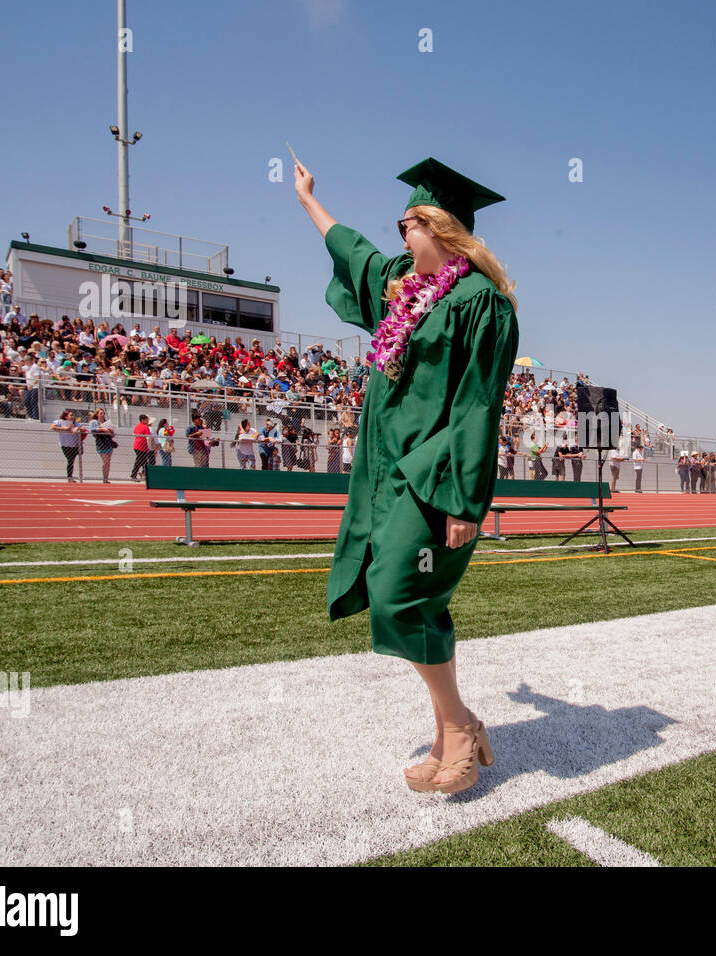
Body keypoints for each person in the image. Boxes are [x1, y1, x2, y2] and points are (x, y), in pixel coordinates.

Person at [299, 155, 519, 795]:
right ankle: (454, 731)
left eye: (409, 225)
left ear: (442, 229)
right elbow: (355, 252)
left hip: (434, 476)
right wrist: (310, 199)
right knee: (397, 593)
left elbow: (478, 405)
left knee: (404, 594)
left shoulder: (481, 303)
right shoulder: (404, 286)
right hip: (386, 472)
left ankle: (458, 728)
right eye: (399, 226)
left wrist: (461, 501)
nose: (399, 236)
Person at [50, 409, 85, 481]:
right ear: (66, 416)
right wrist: (65, 428)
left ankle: (71, 476)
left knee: (71, 460)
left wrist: (77, 428)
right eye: (71, 415)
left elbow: (83, 429)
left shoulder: (76, 423)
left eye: (73, 415)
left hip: (74, 444)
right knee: (70, 460)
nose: (73, 416)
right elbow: (52, 427)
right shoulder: (60, 422)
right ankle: (70, 476)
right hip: (65, 444)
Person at [87, 408, 117, 483]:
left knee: (108, 462)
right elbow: (92, 430)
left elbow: (112, 434)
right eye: (101, 413)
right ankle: (104, 478)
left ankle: (106, 478)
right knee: (105, 461)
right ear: (97, 415)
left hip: (108, 442)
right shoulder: (94, 422)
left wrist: (111, 432)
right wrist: (102, 429)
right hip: (101, 443)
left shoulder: (106, 422)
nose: (103, 415)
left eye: (103, 413)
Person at [130, 413, 152, 481]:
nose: (147, 421)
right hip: (142, 447)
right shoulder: (145, 427)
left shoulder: (137, 426)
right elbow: (148, 438)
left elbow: (134, 434)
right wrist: (149, 447)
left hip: (136, 446)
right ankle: (133, 475)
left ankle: (145, 475)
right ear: (143, 420)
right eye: (146, 420)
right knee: (140, 461)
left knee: (143, 462)